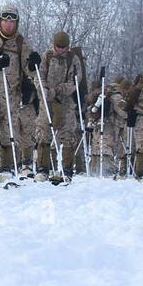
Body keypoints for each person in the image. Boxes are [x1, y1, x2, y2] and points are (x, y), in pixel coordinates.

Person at [0, 4, 35, 187]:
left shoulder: (20, 43)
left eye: (12, 20)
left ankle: (6, 167)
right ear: (0, 20)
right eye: (5, 19)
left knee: (9, 130)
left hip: (11, 93)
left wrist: (32, 65)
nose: (8, 24)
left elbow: (28, 66)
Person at [33, 31, 89, 181]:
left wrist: (57, 91)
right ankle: (42, 168)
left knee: (67, 134)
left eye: (63, 47)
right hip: (47, 101)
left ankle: (67, 169)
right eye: (58, 46)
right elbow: (39, 75)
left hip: (66, 101)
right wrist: (43, 89)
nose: (60, 50)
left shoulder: (73, 59)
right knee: (44, 131)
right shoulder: (47, 56)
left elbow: (75, 81)